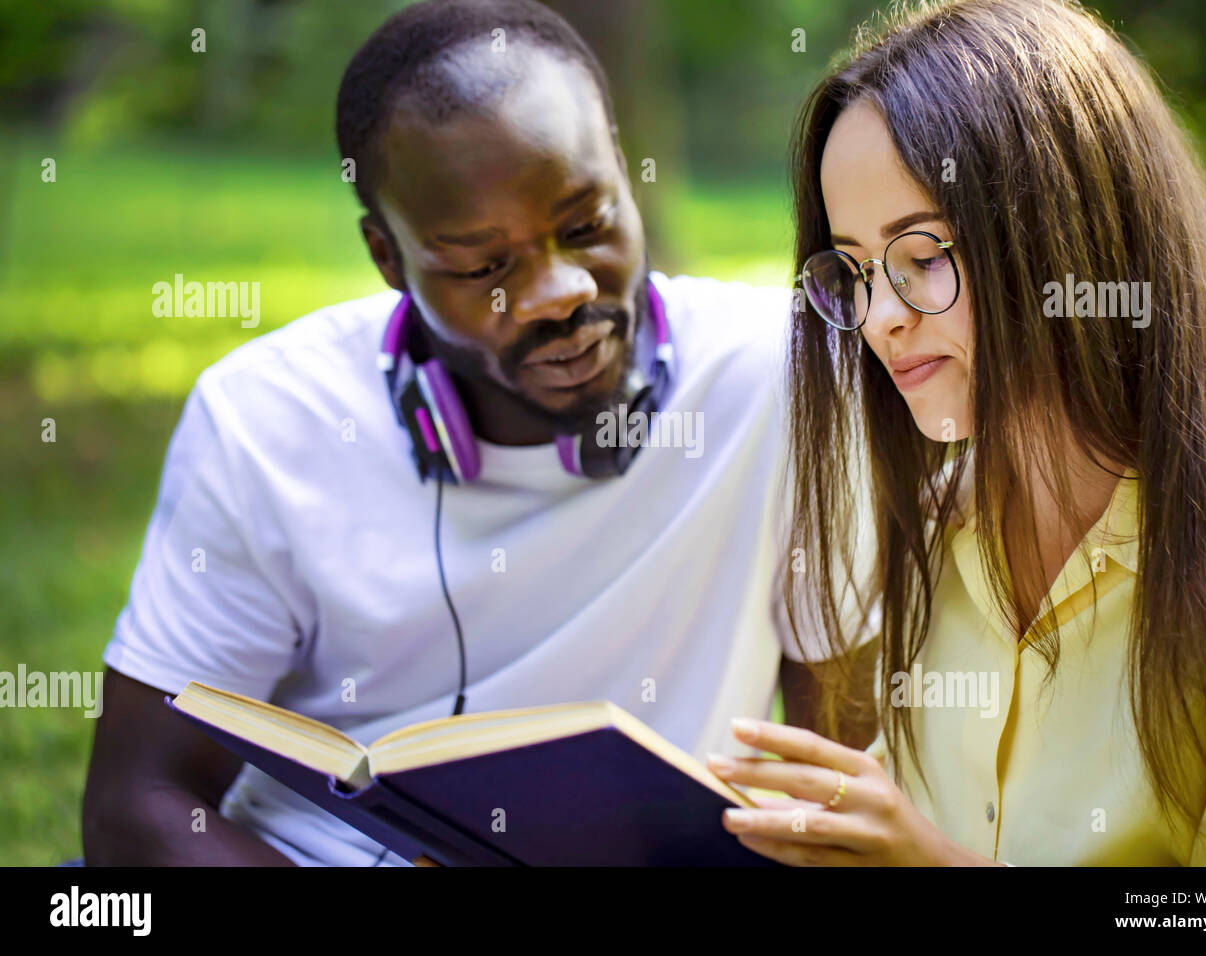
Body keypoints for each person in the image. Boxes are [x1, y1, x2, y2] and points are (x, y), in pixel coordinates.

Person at [81, 0, 874, 867]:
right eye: (482, 266)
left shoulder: (783, 380)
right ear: (389, 258)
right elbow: (137, 803)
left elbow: (846, 766)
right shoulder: (265, 421)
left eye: (587, 226)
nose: (556, 292)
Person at [708, 0, 1206, 865]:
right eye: (856, 271)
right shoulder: (943, 529)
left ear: (1073, 239)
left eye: (924, 257)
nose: (878, 321)